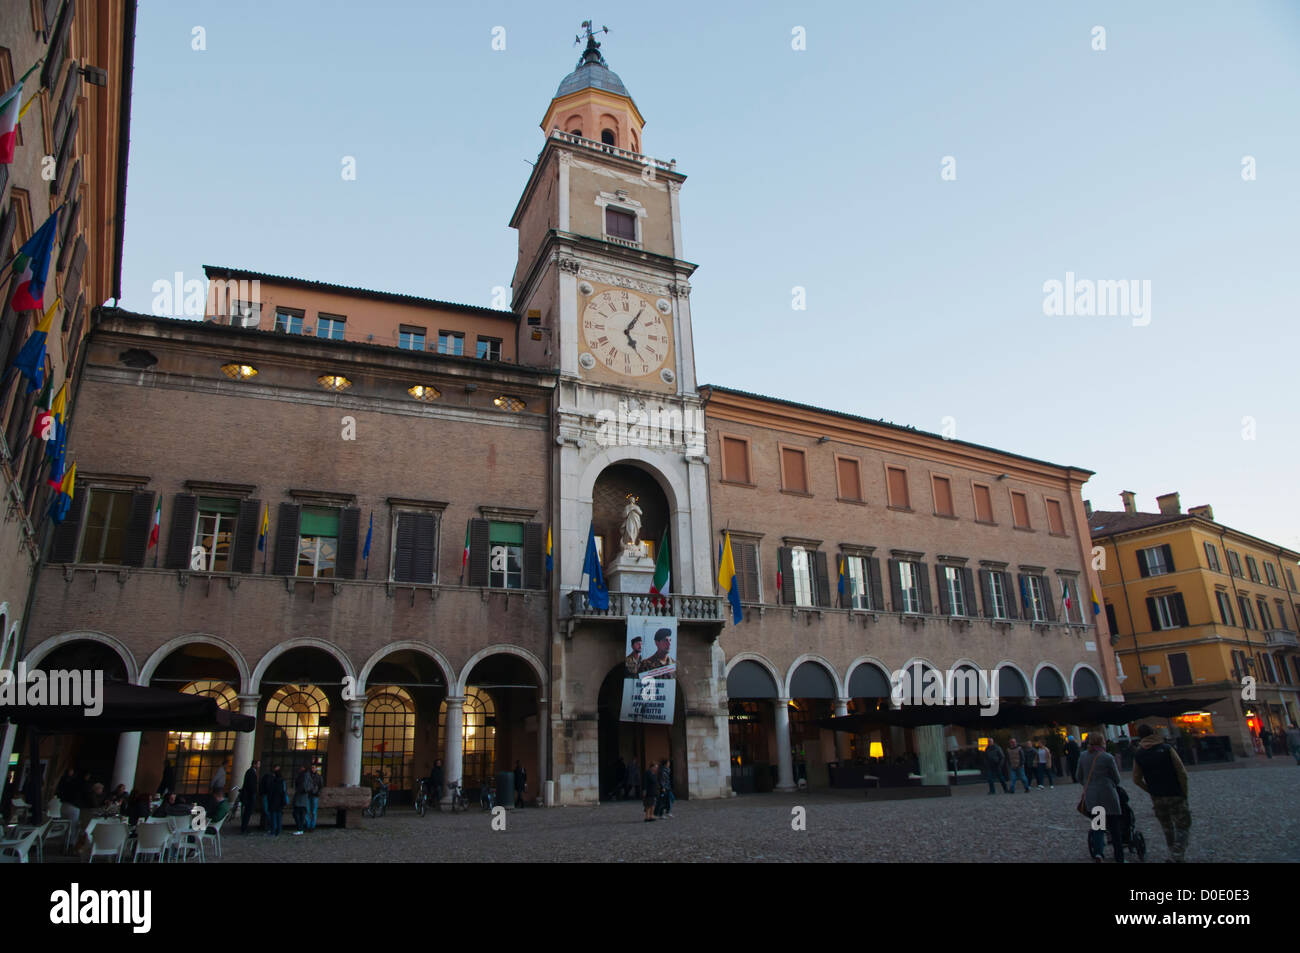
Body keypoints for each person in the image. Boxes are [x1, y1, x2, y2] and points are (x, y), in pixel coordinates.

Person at [1131, 725, 1191, 863]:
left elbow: (1136, 779)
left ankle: (1172, 853)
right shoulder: (1166, 749)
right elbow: (1181, 772)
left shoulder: (1139, 754)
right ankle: (1177, 853)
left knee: (1167, 827)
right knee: (1183, 825)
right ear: (1153, 733)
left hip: (1157, 796)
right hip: (1175, 792)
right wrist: (1184, 791)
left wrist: (1150, 790)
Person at [1078, 733, 1123, 862]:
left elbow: (1079, 776)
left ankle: (1098, 853)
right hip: (1108, 795)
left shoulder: (1083, 756)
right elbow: (1116, 778)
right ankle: (1119, 857)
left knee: (1098, 826)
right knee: (1114, 828)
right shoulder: (1107, 757)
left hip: (1092, 796)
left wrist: (1089, 786)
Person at [261, 765, 286, 836]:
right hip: (279, 802)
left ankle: (273, 830)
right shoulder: (281, 782)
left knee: (273, 816)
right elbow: (283, 792)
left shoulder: (273, 782)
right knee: (278, 816)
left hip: (273, 801)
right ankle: (278, 830)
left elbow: (270, 792)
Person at [240, 759, 261, 834]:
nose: (259, 766)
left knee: (247, 812)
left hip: (250, 795)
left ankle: (244, 827)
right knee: (247, 812)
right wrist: (253, 793)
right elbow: (251, 785)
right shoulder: (251, 772)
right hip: (249, 795)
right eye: (258, 764)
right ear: (254, 764)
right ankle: (244, 828)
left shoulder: (251, 772)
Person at [292, 765, 311, 834]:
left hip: (301, 797)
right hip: (302, 798)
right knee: (300, 814)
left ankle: (300, 828)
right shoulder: (304, 776)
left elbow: (304, 786)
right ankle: (300, 828)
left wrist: (301, 790)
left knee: (298, 814)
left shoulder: (304, 776)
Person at [306, 760, 323, 831]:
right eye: (312, 767)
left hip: (315, 795)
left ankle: (312, 826)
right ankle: (308, 825)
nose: (313, 769)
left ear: (316, 768)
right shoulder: (307, 776)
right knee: (307, 811)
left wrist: (317, 793)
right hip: (308, 794)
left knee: (313, 812)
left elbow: (321, 786)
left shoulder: (319, 777)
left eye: (314, 768)